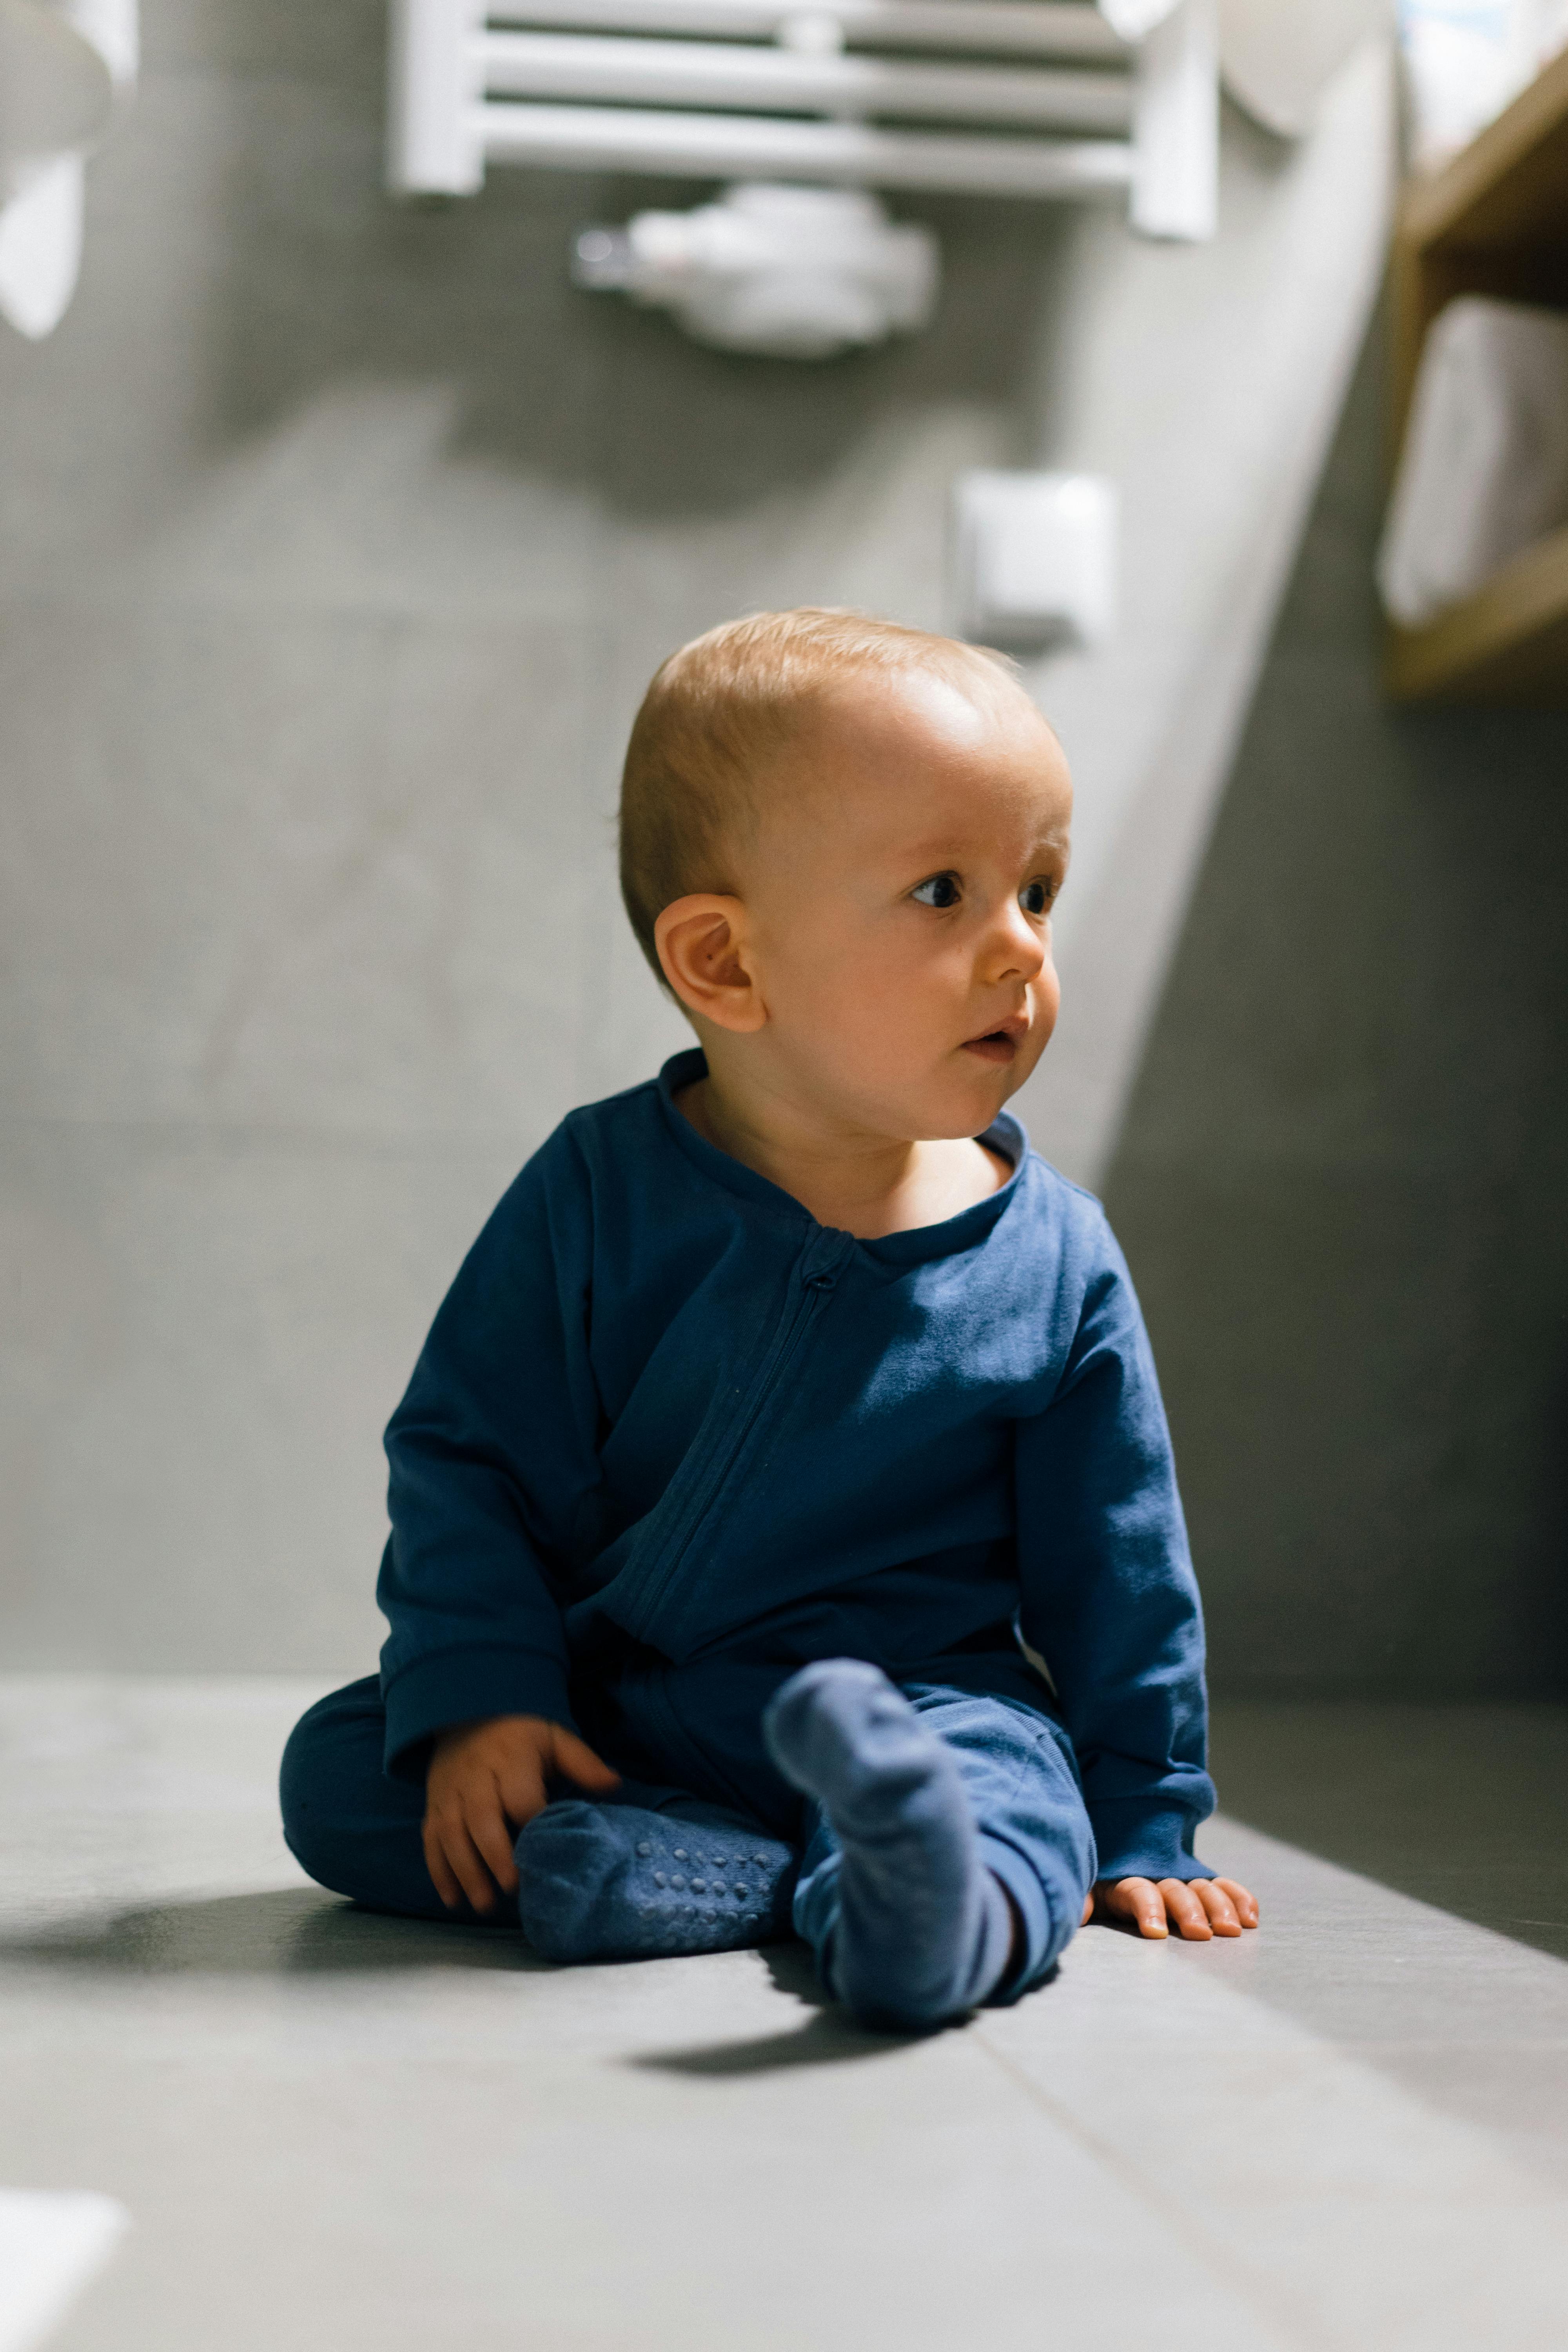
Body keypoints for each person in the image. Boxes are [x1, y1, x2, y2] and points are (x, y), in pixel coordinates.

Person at [280, 607, 1258, 2031]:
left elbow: (1121, 1573)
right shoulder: (597, 1192)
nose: (1020, 952)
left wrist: (1146, 1814)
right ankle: (741, 1873)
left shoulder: (1055, 1258)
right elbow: (469, 1458)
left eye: (1037, 890)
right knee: (345, 1773)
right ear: (727, 966)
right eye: (944, 893)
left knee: (1015, 1800)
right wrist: (489, 1695)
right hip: (619, 1703)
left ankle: (922, 1905)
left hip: (912, 1710)